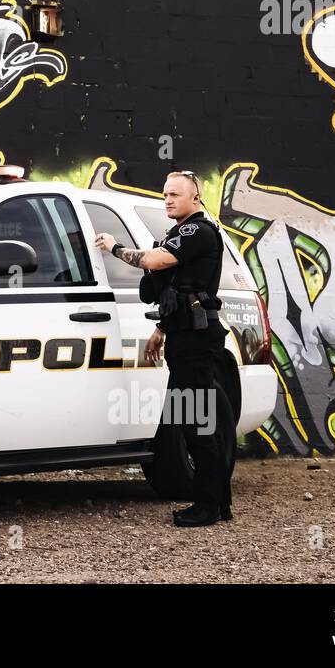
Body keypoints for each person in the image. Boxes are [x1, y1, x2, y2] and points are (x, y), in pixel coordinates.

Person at [93, 170, 240, 527]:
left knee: (195, 422)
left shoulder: (197, 231)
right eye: (165, 194)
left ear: (196, 198)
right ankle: (218, 503)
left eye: (176, 194)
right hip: (188, 338)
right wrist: (162, 328)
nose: (169, 200)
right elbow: (181, 288)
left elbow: (153, 262)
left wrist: (113, 247)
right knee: (200, 420)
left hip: (196, 344)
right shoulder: (180, 233)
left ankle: (207, 506)